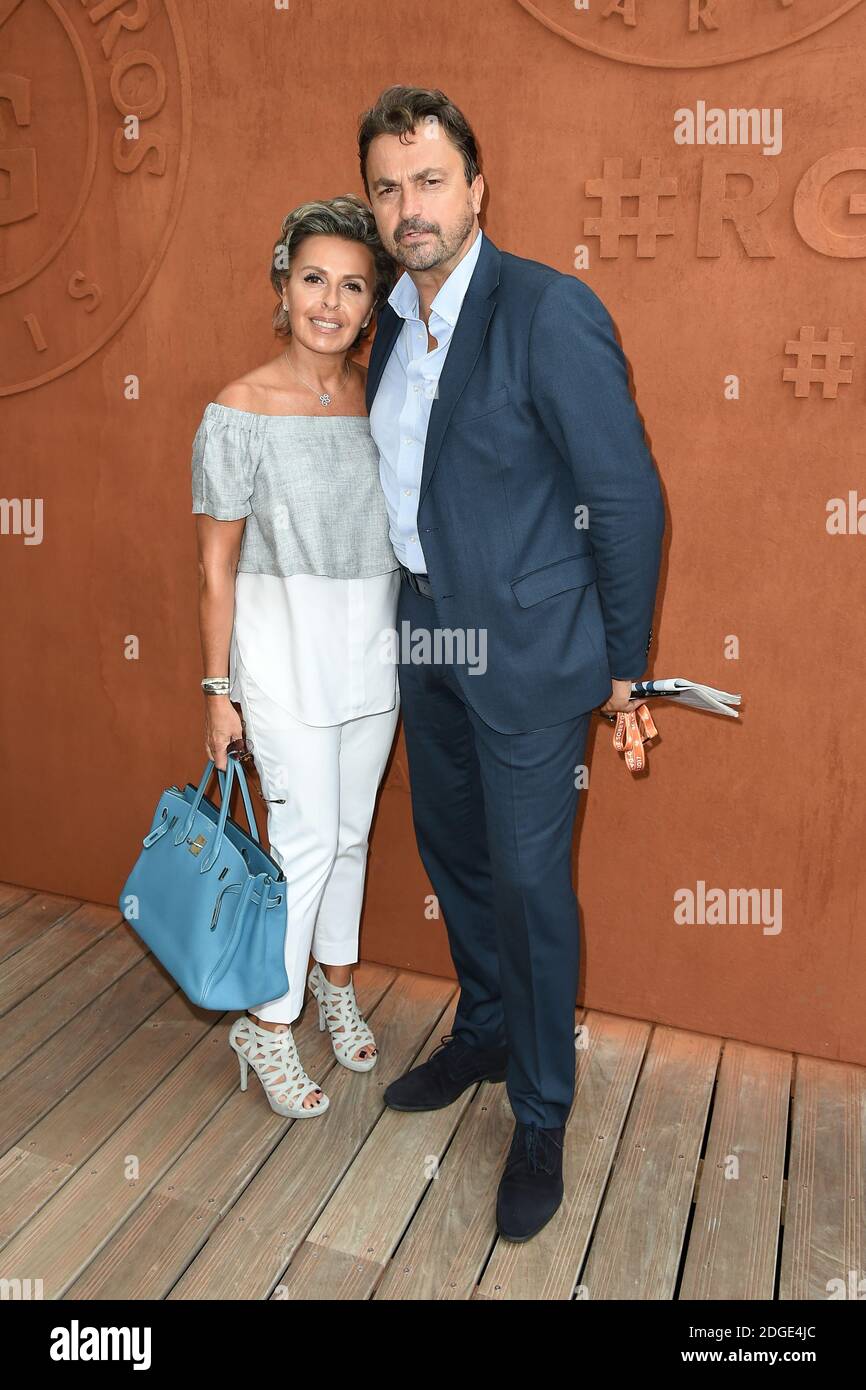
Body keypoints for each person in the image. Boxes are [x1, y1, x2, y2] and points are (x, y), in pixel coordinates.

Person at [357, 87, 666, 1239]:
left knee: (533, 891)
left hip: (530, 654)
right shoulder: (389, 321)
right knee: (454, 850)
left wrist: (622, 667)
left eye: (428, 180)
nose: (408, 206)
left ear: (476, 188)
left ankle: (539, 1113)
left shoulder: (547, 310)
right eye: (387, 185)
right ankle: (482, 1028)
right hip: (426, 633)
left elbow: (627, 502)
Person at [191, 195, 400, 1119]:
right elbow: (213, 567)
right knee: (305, 844)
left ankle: (335, 984)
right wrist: (216, 691)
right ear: (283, 286)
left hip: (373, 656)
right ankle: (267, 1025)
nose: (331, 301)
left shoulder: (378, 398)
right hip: (280, 662)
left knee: (352, 833)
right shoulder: (239, 409)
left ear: (371, 303)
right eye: (314, 278)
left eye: (353, 285)